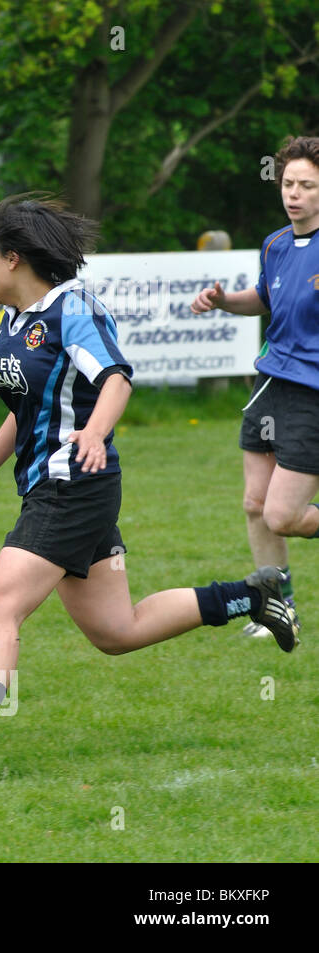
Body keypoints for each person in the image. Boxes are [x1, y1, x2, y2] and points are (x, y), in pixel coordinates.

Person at [0, 194, 299, 778]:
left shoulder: (73, 308)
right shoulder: (16, 320)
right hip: (56, 483)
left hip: (71, 485)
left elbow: (114, 377)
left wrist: (94, 432)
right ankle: (255, 595)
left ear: (13, 259)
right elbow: (31, 406)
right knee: (116, 630)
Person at [191, 135, 319, 639]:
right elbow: (264, 299)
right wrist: (224, 302)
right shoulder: (275, 244)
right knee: (254, 505)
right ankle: (278, 607)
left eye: (307, 186)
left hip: (313, 393)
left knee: (283, 515)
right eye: (289, 183)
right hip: (270, 384)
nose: (295, 194)